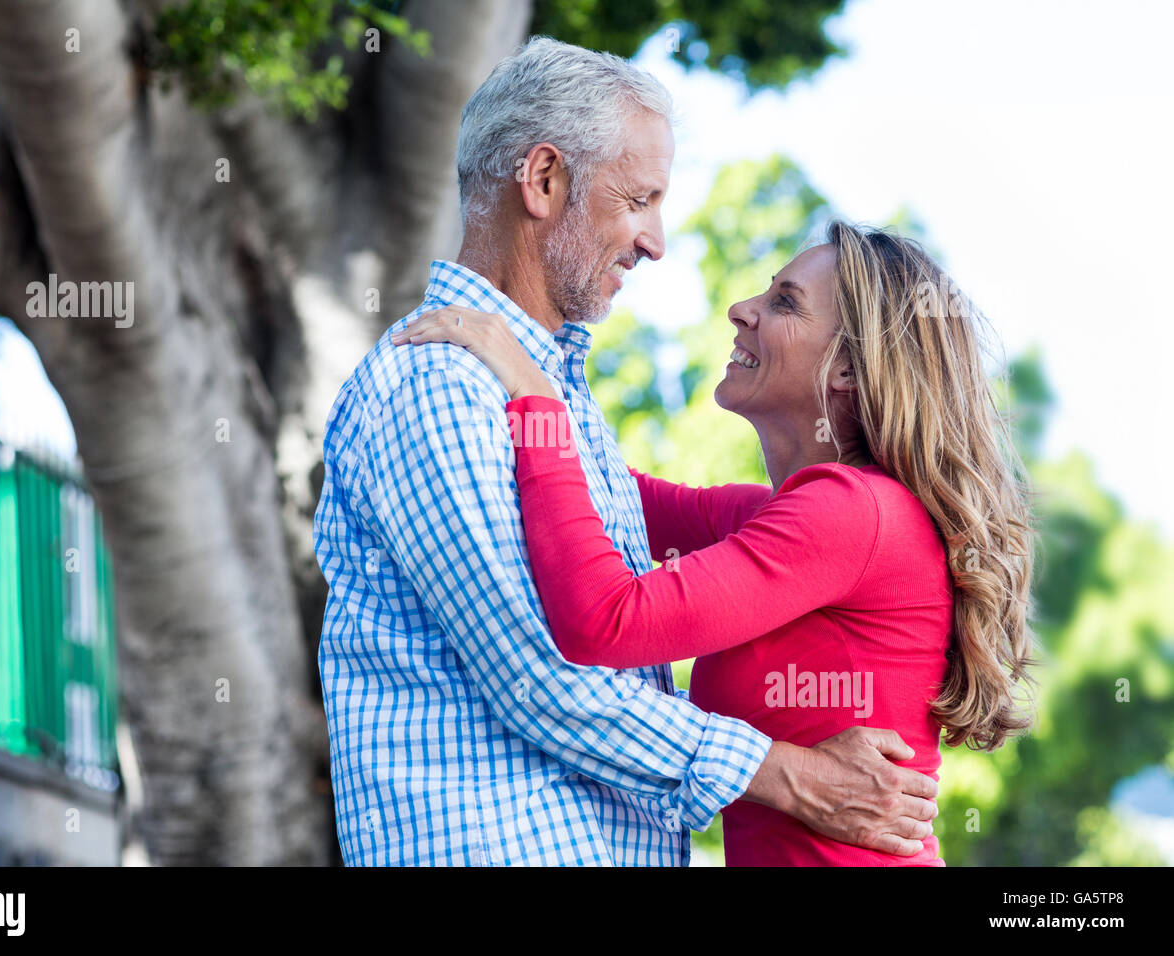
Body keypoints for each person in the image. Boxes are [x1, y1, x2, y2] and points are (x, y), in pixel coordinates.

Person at [315, 36, 939, 867]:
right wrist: (789, 774)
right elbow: (545, 676)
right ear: (542, 182)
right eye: (639, 199)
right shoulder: (442, 387)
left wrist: (538, 398)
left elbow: (611, 596)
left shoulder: (548, 403)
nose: (656, 242)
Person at [394, 220, 1039, 864]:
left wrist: (535, 397)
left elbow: (603, 620)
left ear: (847, 366)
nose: (741, 310)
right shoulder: (788, 517)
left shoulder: (852, 516)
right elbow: (607, 496)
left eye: (785, 302)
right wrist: (517, 375)